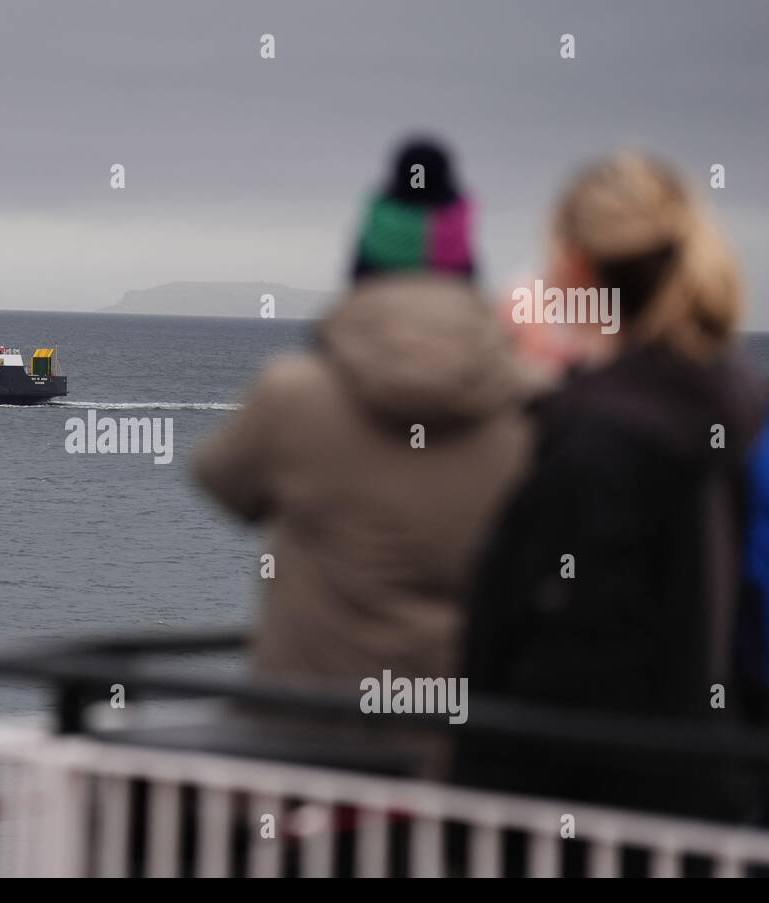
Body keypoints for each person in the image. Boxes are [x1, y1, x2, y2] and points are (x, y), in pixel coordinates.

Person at [452, 151, 764, 821]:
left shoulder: (601, 442)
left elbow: (556, 660)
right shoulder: (734, 410)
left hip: (593, 821)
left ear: (573, 265)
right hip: (709, 807)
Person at [195, 138, 533, 712]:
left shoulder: (292, 394)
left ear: (363, 260)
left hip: (306, 739)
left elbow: (219, 480)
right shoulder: (531, 405)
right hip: (465, 753)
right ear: (467, 268)